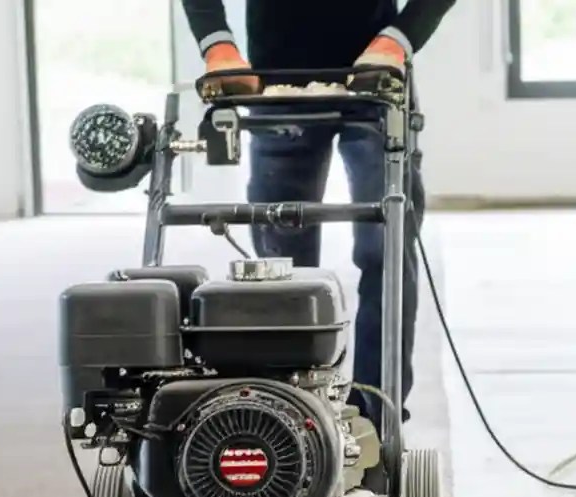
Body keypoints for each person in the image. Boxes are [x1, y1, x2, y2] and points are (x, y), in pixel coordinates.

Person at [181, 0, 456, 427]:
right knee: (279, 268)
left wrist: (399, 38)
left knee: (386, 250)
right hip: (278, 83)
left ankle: (377, 420)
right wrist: (217, 43)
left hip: (375, 79)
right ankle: (289, 414)